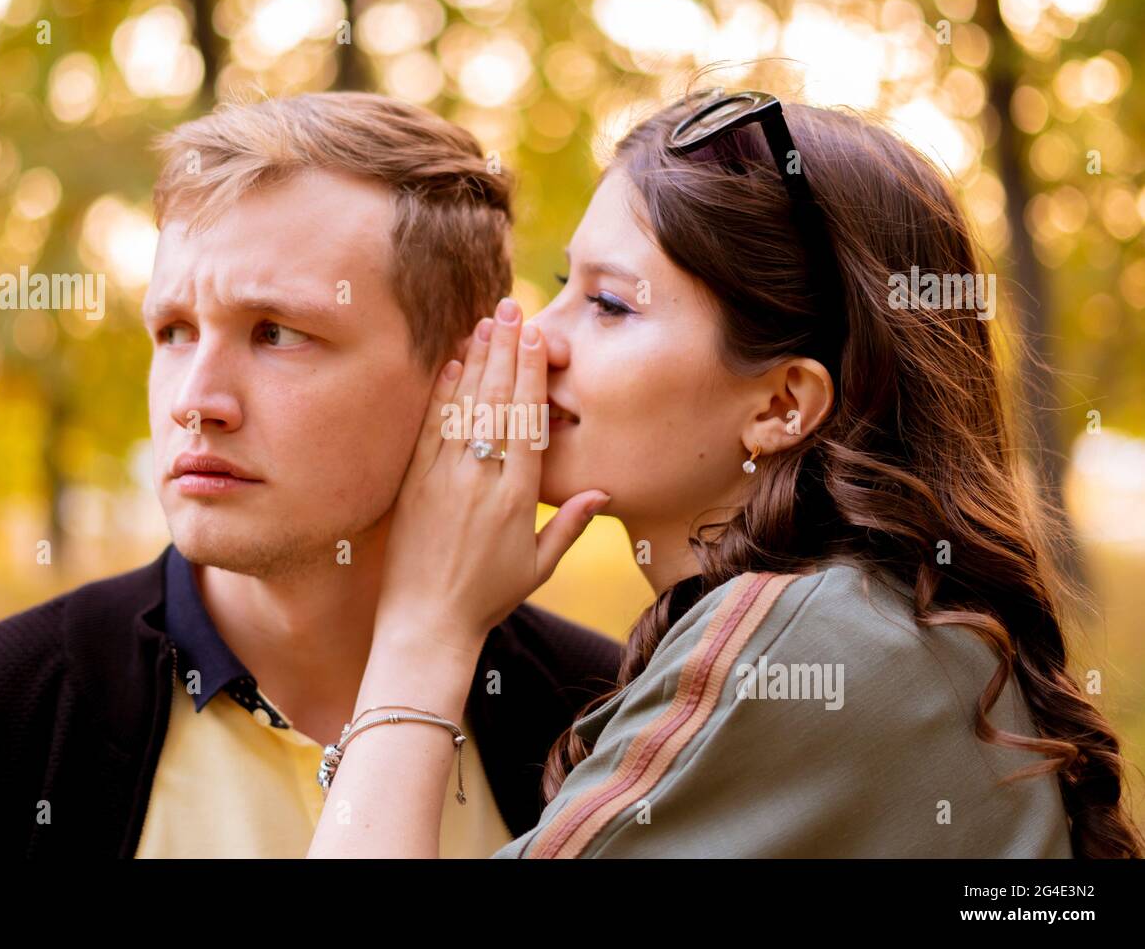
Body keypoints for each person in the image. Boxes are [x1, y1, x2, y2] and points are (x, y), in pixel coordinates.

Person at [306, 89, 1144, 858]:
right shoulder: (871, 617)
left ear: (783, 403)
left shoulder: (798, 647)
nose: (535, 335)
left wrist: (425, 623)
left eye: (609, 304)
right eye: (566, 284)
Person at [0, 93, 622, 858]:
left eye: (276, 332)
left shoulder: (608, 726)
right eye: (174, 331)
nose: (195, 401)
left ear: (465, 373)